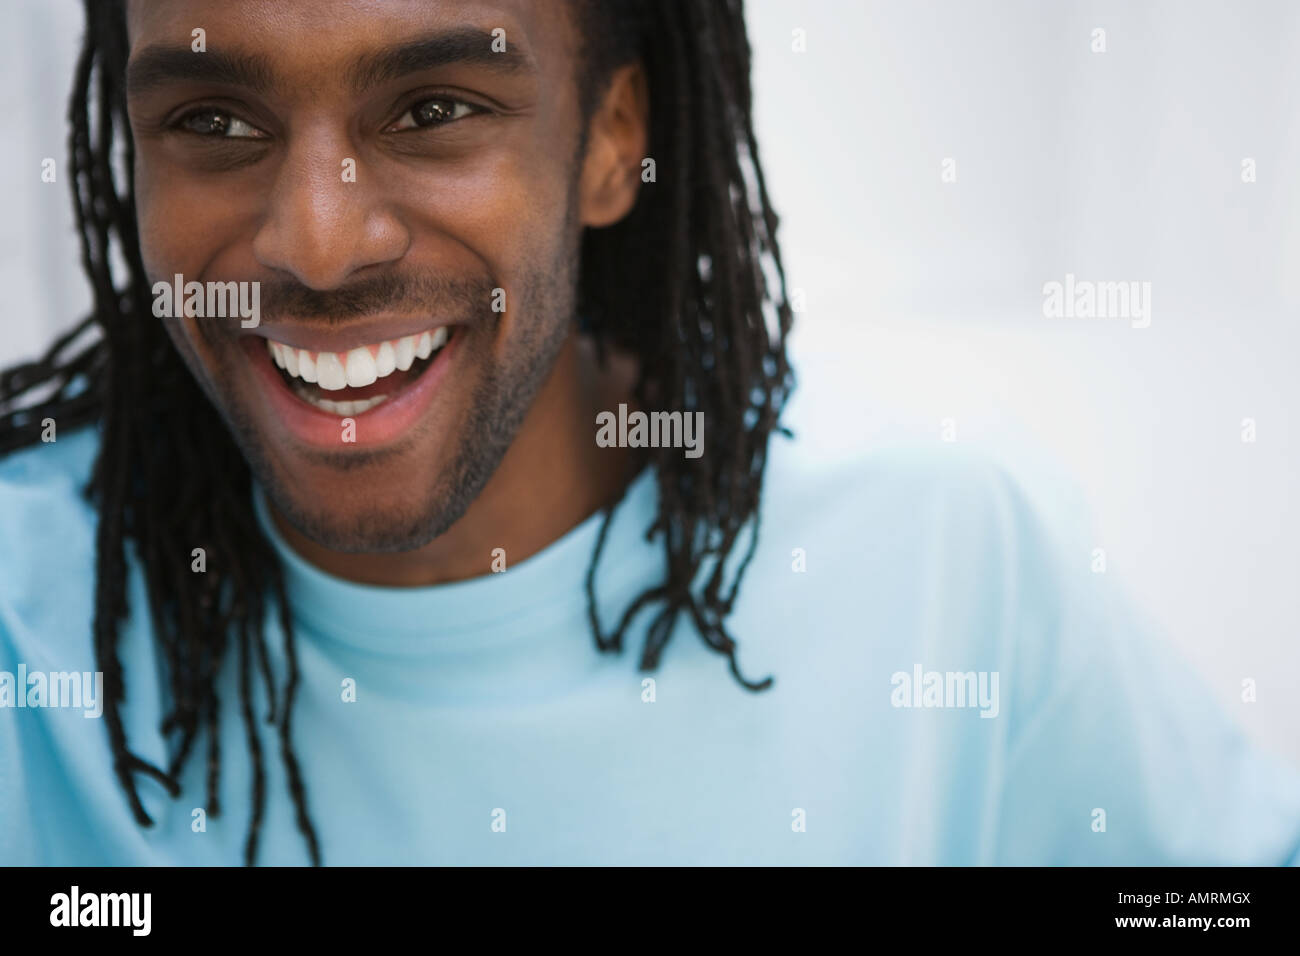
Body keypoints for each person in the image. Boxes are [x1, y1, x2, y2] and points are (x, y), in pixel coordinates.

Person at [1, 0, 1297, 866]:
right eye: (213, 123)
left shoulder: (945, 549)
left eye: (437, 110)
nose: (321, 246)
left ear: (613, 143)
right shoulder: (23, 638)